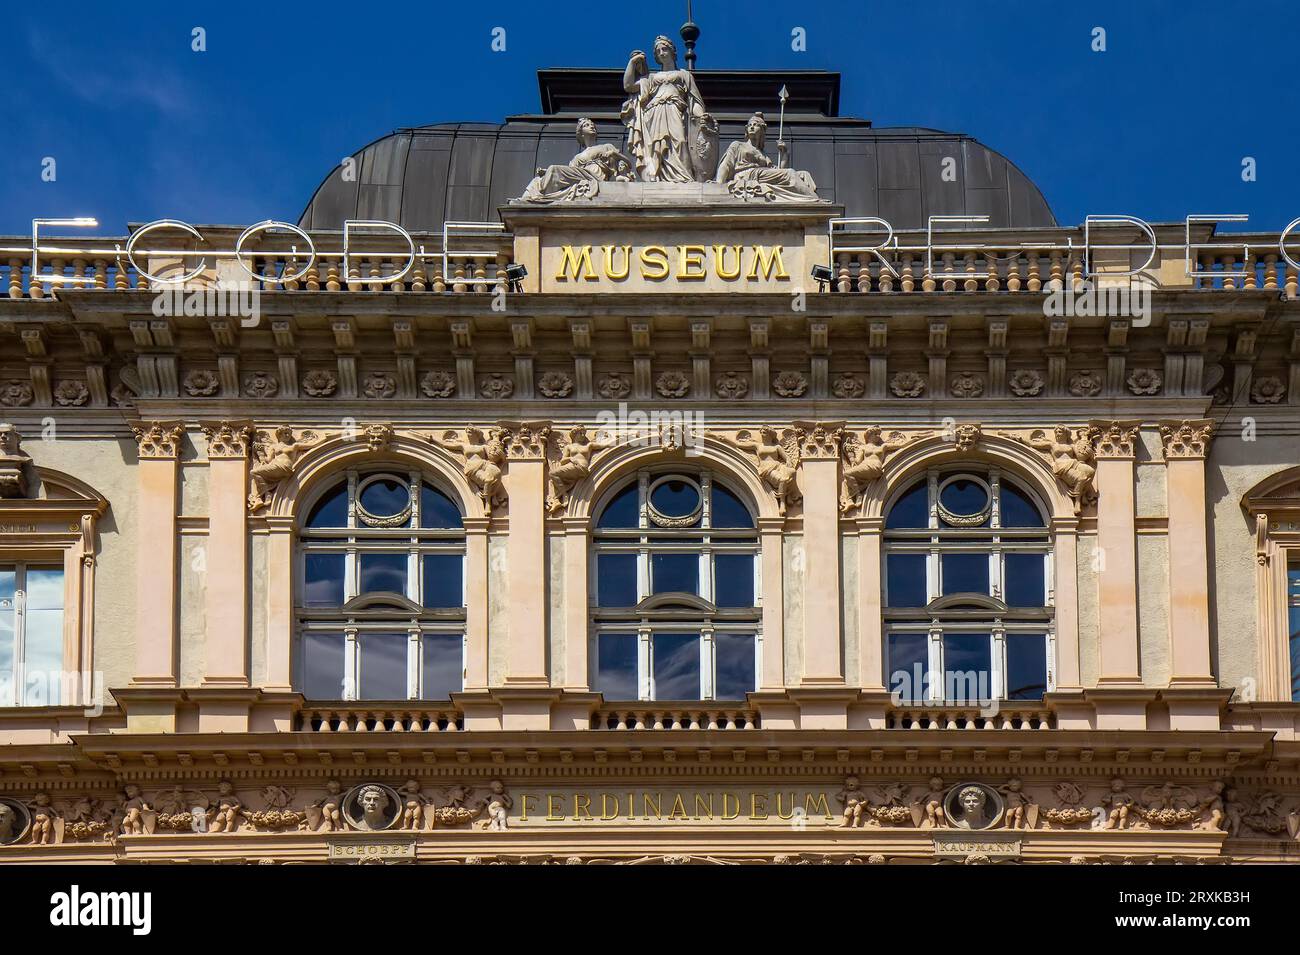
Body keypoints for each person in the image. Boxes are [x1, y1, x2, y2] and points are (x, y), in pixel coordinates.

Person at [622, 36, 715, 182]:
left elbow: (694, 101)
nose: (661, 53)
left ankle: (683, 177)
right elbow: (628, 86)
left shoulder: (684, 75)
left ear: (672, 51)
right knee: (655, 146)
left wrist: (701, 116)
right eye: (658, 51)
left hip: (675, 110)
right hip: (654, 112)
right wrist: (633, 62)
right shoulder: (651, 77)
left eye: (664, 49)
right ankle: (657, 176)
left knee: (680, 142)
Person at [522, 118, 634, 202]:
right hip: (581, 174)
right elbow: (569, 172)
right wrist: (545, 172)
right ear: (581, 133)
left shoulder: (606, 146)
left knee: (553, 169)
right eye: (587, 125)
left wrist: (614, 153)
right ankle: (536, 194)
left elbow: (628, 164)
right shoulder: (578, 157)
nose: (591, 127)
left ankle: (539, 195)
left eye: (592, 125)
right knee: (543, 176)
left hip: (595, 176)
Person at [716, 112, 819, 202]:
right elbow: (726, 164)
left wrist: (784, 153)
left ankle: (808, 198)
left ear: (762, 130)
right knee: (790, 173)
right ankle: (813, 198)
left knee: (804, 174)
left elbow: (779, 171)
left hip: (761, 174)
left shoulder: (763, 154)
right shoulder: (738, 145)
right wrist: (718, 185)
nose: (752, 127)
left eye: (755, 125)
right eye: (749, 125)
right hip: (748, 174)